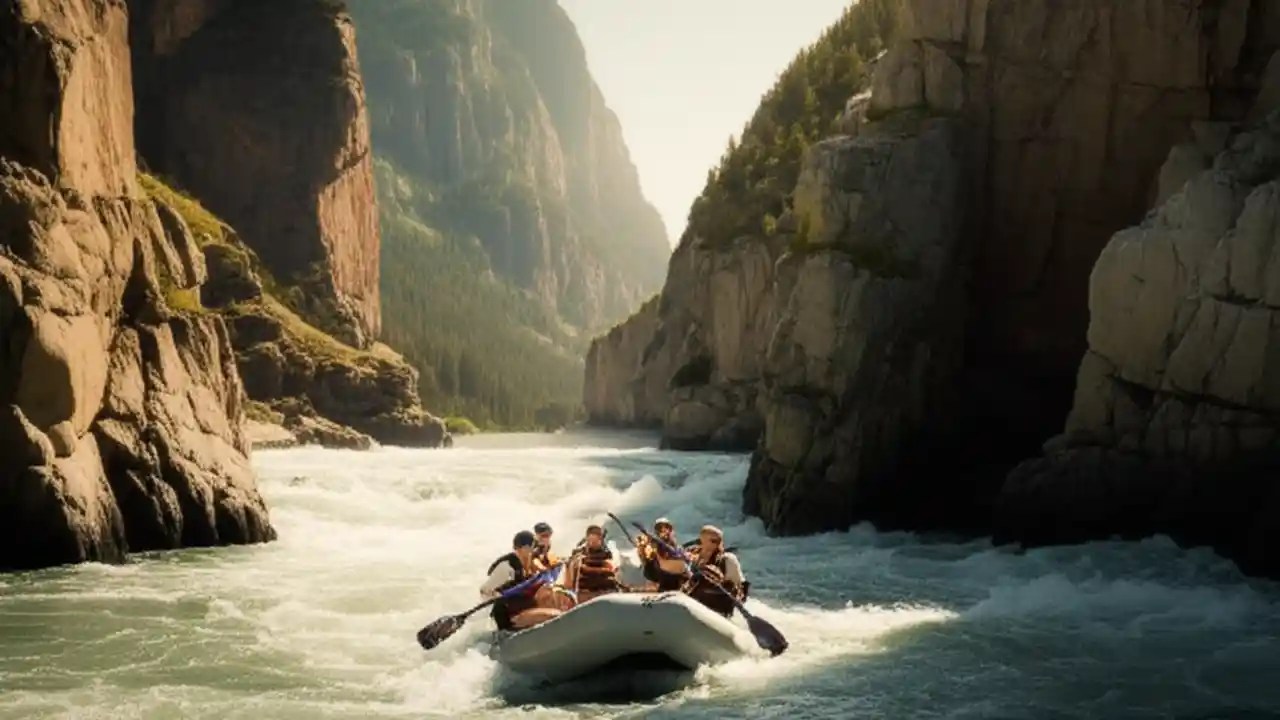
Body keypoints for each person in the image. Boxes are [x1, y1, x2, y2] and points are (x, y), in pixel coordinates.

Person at [479, 530, 562, 631]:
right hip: (510, 615)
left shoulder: (529, 564)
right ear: (522, 548)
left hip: (524, 607)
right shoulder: (506, 567)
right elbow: (484, 590)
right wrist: (498, 595)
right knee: (555, 615)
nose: (533, 550)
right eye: (531, 547)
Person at [684, 524, 748, 618]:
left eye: (719, 541)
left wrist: (737, 597)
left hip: (718, 607)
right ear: (702, 540)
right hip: (694, 603)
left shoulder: (727, 560)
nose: (718, 544)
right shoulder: (691, 556)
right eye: (714, 541)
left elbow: (741, 587)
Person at [564, 524, 620, 602]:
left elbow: (613, 568)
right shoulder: (579, 554)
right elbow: (574, 574)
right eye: (591, 538)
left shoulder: (607, 554)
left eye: (597, 537)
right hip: (585, 595)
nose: (593, 542)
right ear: (587, 538)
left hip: (605, 594)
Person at [635, 517, 688, 591]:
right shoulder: (653, 547)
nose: (663, 530)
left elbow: (683, 561)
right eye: (660, 528)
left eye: (666, 527)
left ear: (670, 530)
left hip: (680, 583)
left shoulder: (678, 548)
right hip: (664, 584)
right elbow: (650, 573)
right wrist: (643, 553)